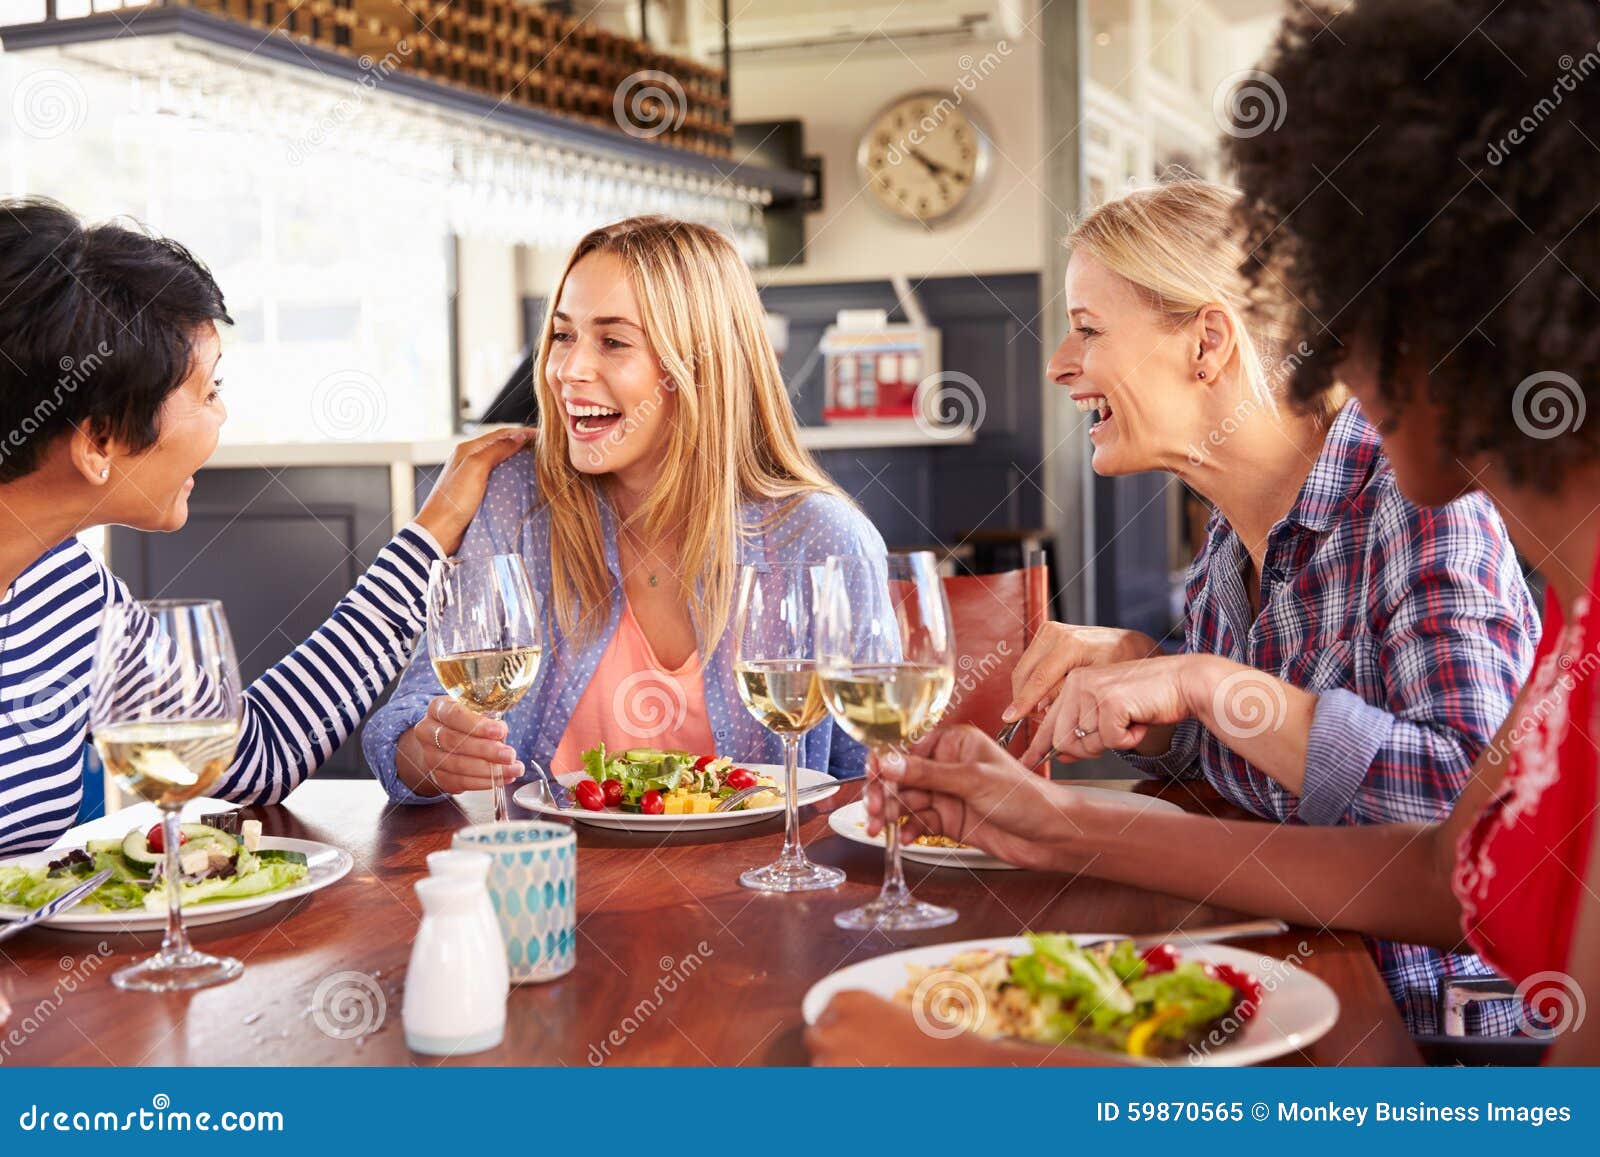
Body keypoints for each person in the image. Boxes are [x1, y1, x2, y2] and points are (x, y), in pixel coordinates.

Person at [809, 0, 1600, 1066]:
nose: (1321, 363)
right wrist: (1053, 807)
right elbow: (1439, 868)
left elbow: (1441, 841)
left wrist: (992, 1068)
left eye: (1344, 313)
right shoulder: (1553, 610)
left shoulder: (1451, 526)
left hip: (1429, 1043)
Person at [1006, 179, 1538, 1033]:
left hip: (1425, 1039)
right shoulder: (1231, 533)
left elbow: (1482, 817)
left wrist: (1210, 683)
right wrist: (1156, 683)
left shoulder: (1420, 501)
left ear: (1208, 342)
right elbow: (1259, 773)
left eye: (1089, 327)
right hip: (1282, 991)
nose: (1060, 362)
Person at [0, 198, 531, 855]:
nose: (221, 418)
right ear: (100, 440)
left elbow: (260, 747)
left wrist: (439, 520)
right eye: (208, 392)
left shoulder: (68, 592)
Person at [364, 217, 883, 799]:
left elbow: (872, 781)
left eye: (612, 341)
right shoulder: (516, 500)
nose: (568, 370)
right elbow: (410, 722)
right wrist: (426, 754)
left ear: (700, 366)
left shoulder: (822, 538)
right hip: (548, 880)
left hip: (750, 886)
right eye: (563, 336)